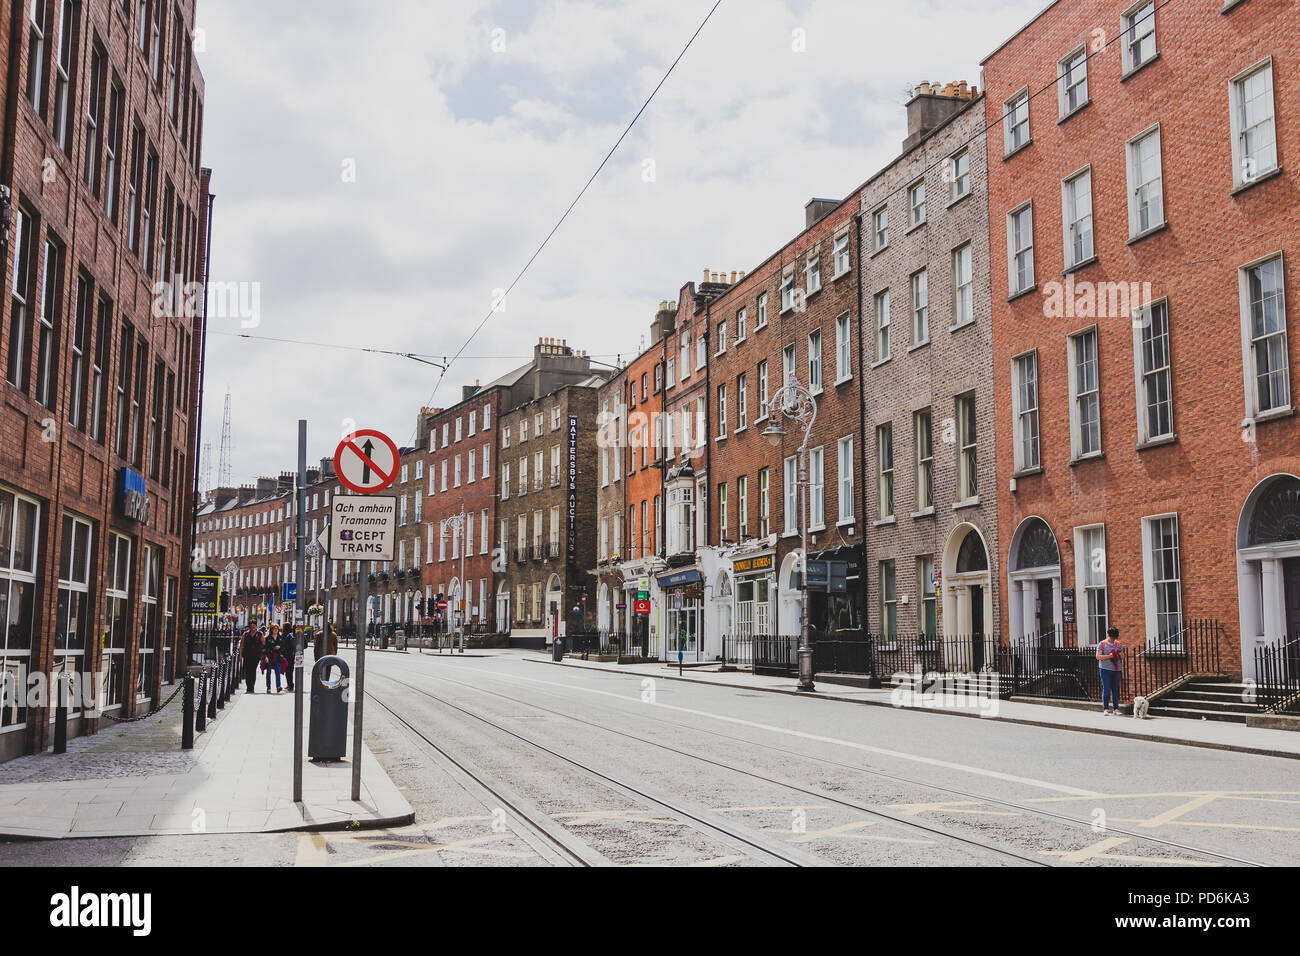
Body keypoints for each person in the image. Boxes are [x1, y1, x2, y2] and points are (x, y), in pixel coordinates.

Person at [1097, 626, 1122, 715]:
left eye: (1114, 638)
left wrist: (1118, 654)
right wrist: (1110, 656)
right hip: (1105, 669)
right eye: (1111, 638)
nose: (1113, 640)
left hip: (1116, 669)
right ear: (1108, 635)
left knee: (1115, 689)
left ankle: (1116, 709)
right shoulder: (1102, 644)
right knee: (1106, 689)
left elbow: (1122, 656)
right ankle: (1106, 709)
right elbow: (1098, 657)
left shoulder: (1118, 644)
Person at [239, 623, 263, 693]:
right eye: (251, 626)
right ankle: (248, 686)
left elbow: (263, 644)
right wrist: (240, 655)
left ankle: (251, 687)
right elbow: (241, 645)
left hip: (256, 655)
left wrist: (263, 655)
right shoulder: (245, 634)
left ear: (256, 626)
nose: (253, 628)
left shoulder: (260, 634)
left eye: (254, 626)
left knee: (253, 670)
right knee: (247, 671)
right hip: (247, 655)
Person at [262, 626, 285, 694]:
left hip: (277, 656)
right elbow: (264, 648)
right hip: (269, 656)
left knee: (277, 671)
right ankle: (268, 688)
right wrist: (265, 656)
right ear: (271, 630)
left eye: (276, 629)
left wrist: (280, 647)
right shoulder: (268, 638)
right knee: (268, 672)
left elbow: (283, 647)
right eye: (274, 629)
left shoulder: (280, 638)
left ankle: (278, 686)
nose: (275, 630)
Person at [281, 625, 297, 691]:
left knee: (288, 671)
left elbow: (284, 645)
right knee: (292, 670)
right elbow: (305, 645)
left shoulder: (288, 635)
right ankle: (292, 684)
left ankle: (290, 685)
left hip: (288, 656)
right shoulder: (301, 635)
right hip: (298, 655)